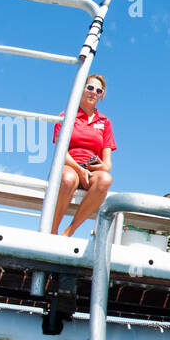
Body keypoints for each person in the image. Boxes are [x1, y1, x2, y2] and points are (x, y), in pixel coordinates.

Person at [51, 74, 114, 237]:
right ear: (82, 89)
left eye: (98, 90)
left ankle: (68, 232)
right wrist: (79, 171)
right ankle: (52, 231)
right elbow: (60, 151)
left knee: (105, 180)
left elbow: (108, 164)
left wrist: (100, 166)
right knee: (68, 179)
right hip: (70, 164)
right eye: (90, 87)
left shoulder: (105, 122)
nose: (94, 92)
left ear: (101, 96)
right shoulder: (66, 115)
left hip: (91, 170)